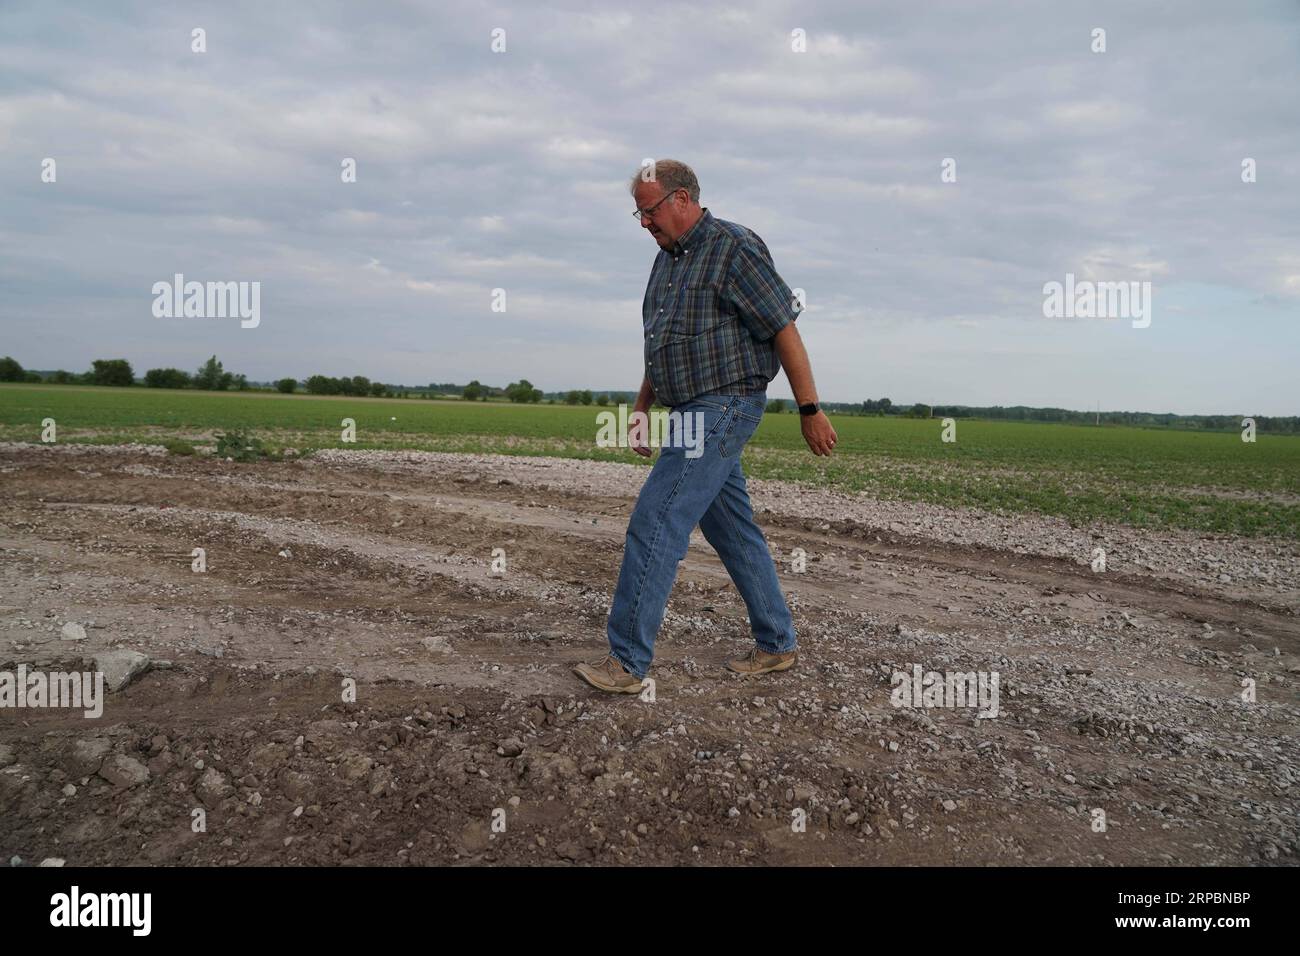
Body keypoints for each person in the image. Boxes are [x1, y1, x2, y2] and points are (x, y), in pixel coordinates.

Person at [574, 159, 837, 694]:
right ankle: (777, 642)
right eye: (638, 214)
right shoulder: (666, 262)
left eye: (649, 211)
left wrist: (809, 408)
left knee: (656, 519)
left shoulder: (733, 247)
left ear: (682, 199)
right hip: (689, 408)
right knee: (731, 529)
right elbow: (662, 345)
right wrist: (642, 407)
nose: (644, 222)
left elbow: (783, 327)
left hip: (724, 404)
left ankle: (626, 663)